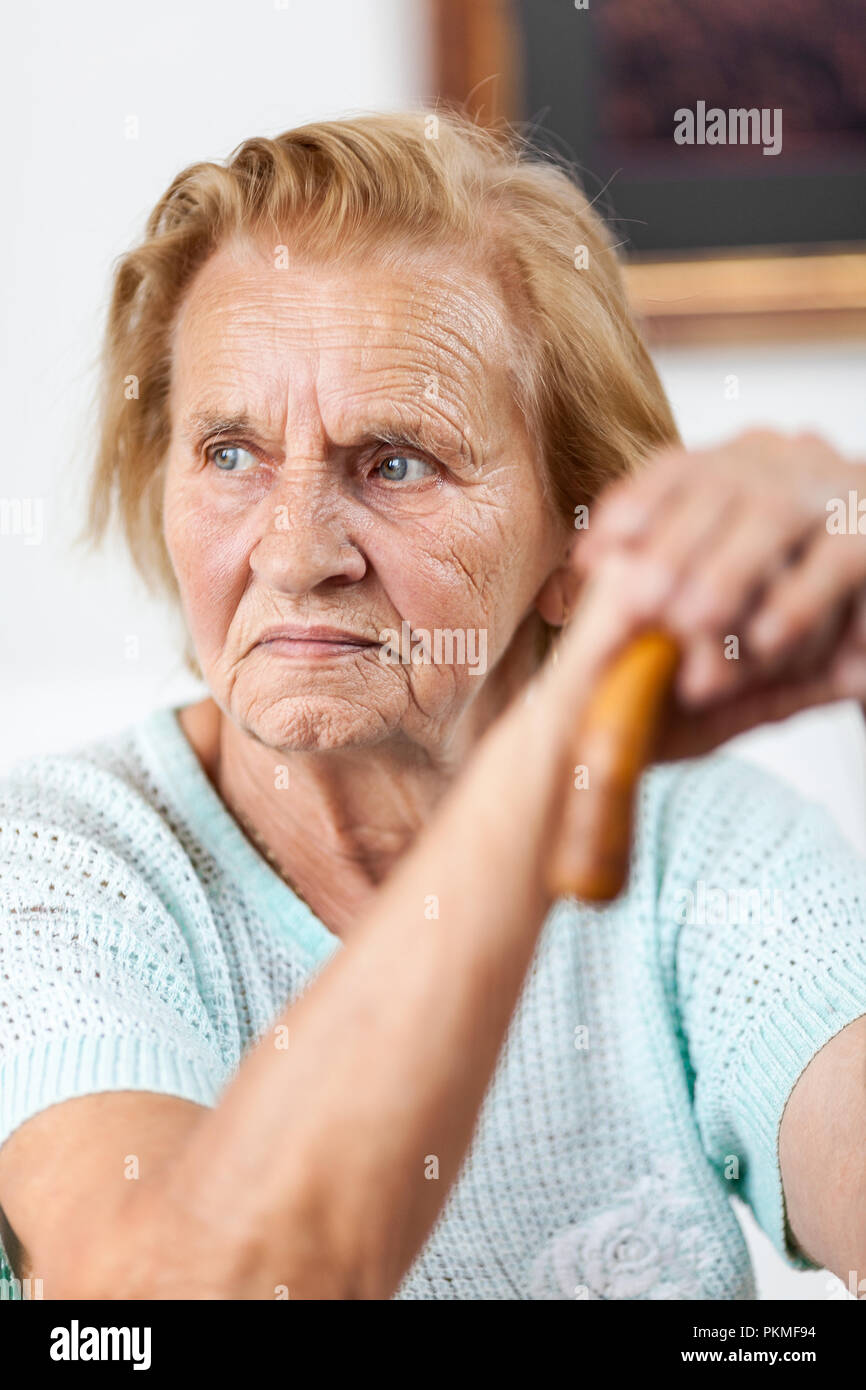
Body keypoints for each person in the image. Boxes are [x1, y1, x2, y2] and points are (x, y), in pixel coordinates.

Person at [1, 111, 865, 1301]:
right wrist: (546, 765)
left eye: (395, 458)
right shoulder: (61, 865)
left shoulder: (708, 846)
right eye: (229, 453)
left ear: (582, 534)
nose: (295, 551)